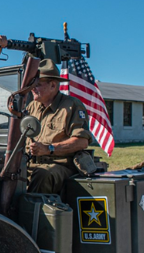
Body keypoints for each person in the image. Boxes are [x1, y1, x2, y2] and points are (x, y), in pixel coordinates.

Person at [25, 58, 93, 194]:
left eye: (37, 84)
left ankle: (32, 207)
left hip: (60, 164)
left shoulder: (71, 106)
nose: (33, 89)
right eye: (32, 84)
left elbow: (82, 142)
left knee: (42, 175)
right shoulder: (32, 107)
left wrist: (49, 148)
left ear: (53, 85)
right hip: (29, 163)